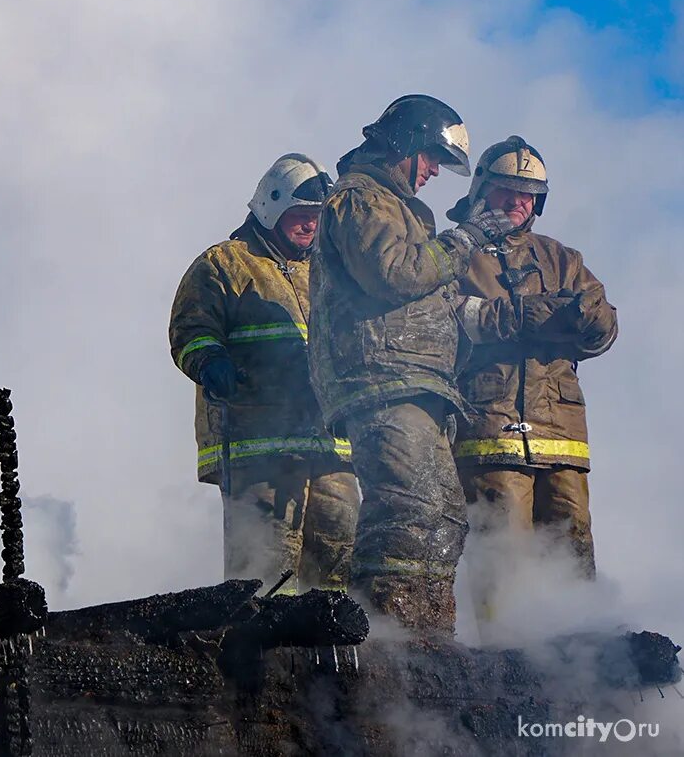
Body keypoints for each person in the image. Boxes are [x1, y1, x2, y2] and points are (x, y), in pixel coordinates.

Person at [306, 95, 515, 636]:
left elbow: (421, 295)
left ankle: (426, 643)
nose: (430, 175)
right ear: (404, 144)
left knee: (443, 514)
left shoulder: (396, 207)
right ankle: (387, 644)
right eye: (429, 159)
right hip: (382, 380)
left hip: (414, 381)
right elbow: (395, 273)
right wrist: (464, 240)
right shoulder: (360, 197)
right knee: (405, 513)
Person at [446, 137, 617, 630]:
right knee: (502, 547)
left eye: (529, 195)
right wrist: (516, 315)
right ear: (482, 189)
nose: (518, 203)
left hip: (561, 435)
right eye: (507, 191)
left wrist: (593, 317)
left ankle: (577, 653)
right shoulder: (456, 252)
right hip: (490, 429)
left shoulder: (563, 259)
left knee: (572, 545)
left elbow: (604, 336)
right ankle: (503, 657)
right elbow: (440, 322)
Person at [170, 154, 357, 594]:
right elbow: (191, 330)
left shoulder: (331, 275)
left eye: (316, 217)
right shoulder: (225, 264)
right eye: (300, 215)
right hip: (257, 444)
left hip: (330, 444)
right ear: (271, 208)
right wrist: (210, 362)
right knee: (265, 570)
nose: (310, 226)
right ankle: (267, 660)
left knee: (339, 560)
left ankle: (331, 657)